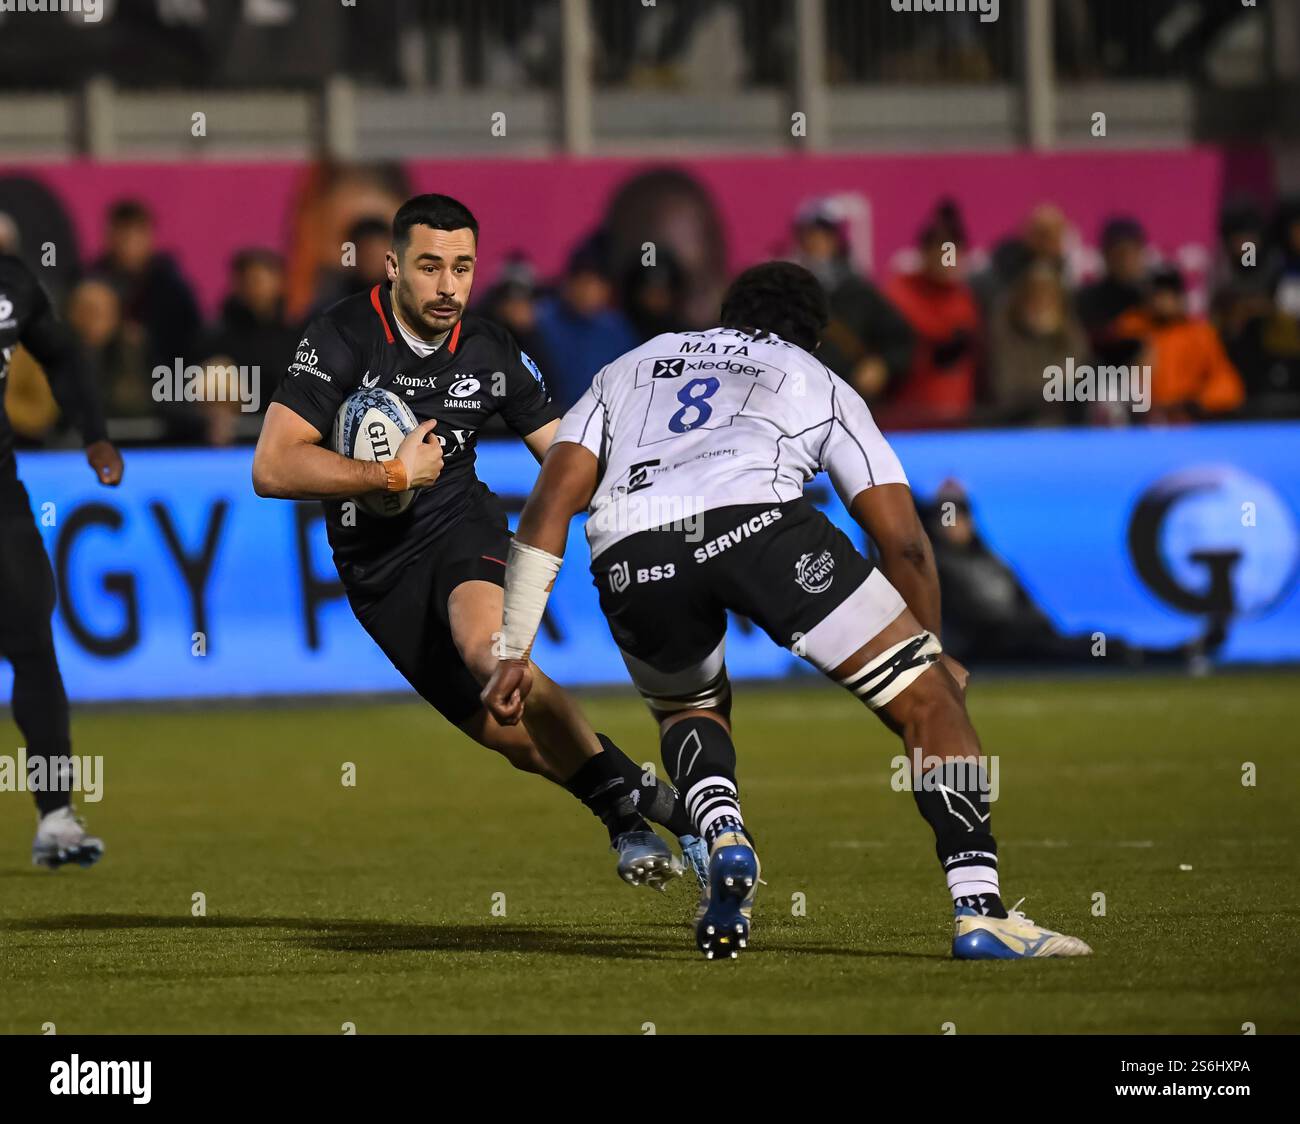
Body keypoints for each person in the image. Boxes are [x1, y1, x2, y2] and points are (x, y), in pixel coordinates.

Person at [482, 261, 1092, 962]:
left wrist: (514, 647)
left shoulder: (633, 363)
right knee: (928, 704)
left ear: (726, 312)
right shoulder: (816, 377)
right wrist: (929, 655)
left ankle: (724, 830)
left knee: (688, 710)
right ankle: (981, 911)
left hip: (631, 544)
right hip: (758, 527)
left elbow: (547, 506)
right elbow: (905, 543)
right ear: (817, 337)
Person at [252, 194, 704, 890]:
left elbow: (563, 457)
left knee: (489, 654)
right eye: (430, 267)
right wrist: (391, 473)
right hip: (376, 571)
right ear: (393, 265)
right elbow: (272, 466)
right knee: (512, 741)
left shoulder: (491, 349)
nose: (448, 285)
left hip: (462, 527)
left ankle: (650, 820)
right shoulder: (342, 336)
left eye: (462, 267)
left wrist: (648, 513)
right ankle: (644, 805)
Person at [0, 253, 124, 867]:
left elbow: (63, 353)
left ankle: (56, 818)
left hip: (0, 495)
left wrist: (93, 430)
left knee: (31, 641)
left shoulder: (13, 281)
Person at [883, 199, 982, 428]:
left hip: (960, 418)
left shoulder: (965, 298)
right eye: (941, 251)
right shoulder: (900, 293)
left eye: (954, 252)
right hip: (909, 420)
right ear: (924, 253)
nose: (948, 261)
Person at [1113, 265, 1245, 422]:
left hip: (1189, 421)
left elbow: (1228, 385)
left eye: (1166, 295)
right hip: (1142, 420)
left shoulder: (1200, 334)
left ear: (1180, 298)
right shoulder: (1132, 329)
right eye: (1155, 295)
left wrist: (1197, 403)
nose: (1160, 302)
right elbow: (1113, 373)